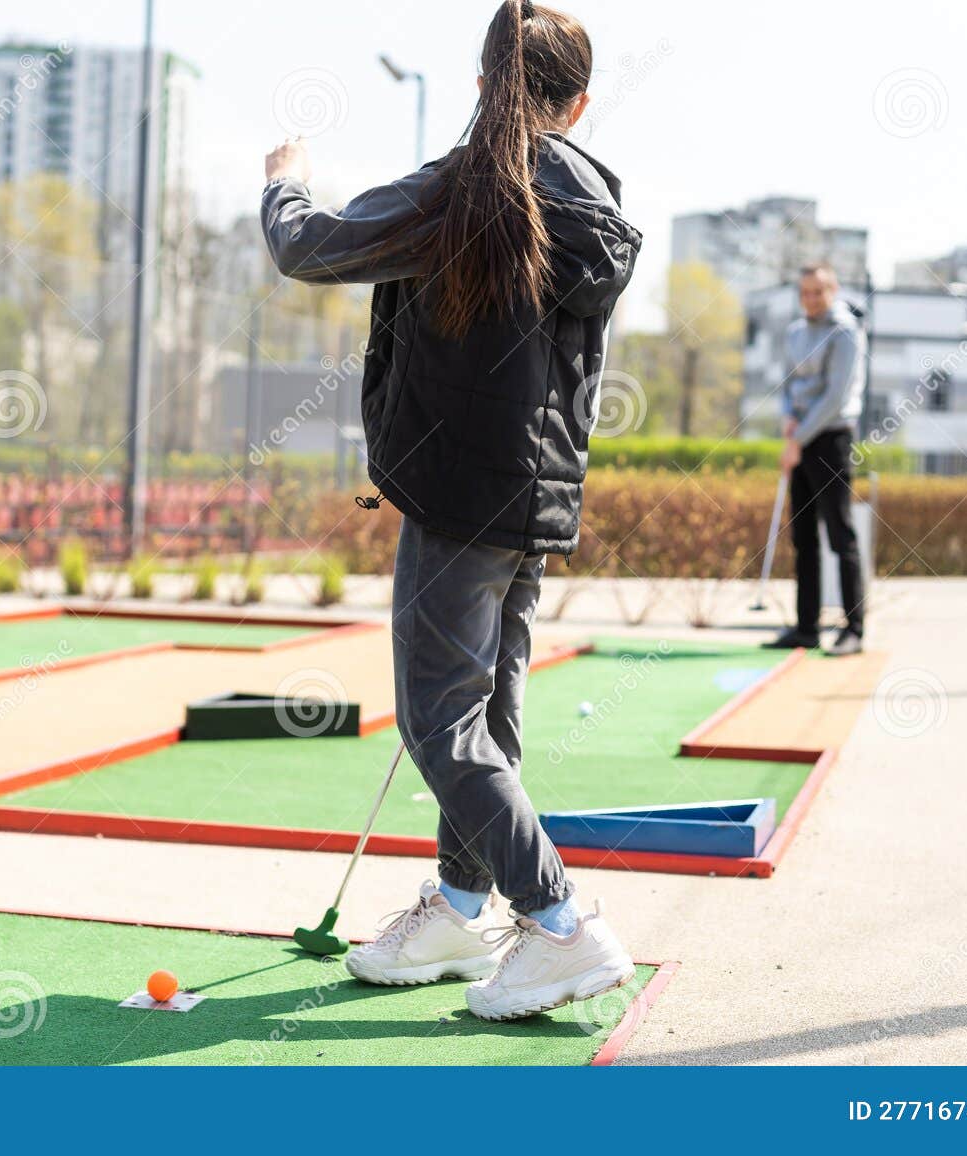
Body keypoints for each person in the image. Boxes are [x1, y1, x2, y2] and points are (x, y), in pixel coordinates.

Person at [259, 0, 641, 1020]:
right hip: (534, 493)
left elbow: (310, 248)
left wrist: (284, 183)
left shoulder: (456, 190)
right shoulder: (598, 205)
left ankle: (558, 922)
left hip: (456, 490)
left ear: (482, 86)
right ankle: (463, 906)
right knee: (487, 713)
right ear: (578, 104)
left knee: (438, 720)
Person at [764, 262, 867, 657]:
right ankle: (807, 628)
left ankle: (853, 629)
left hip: (831, 438)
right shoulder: (794, 332)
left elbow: (835, 397)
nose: (811, 299)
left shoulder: (845, 332)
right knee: (803, 536)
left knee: (840, 534)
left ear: (833, 290)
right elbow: (789, 385)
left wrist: (799, 437)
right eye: (805, 292)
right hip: (800, 437)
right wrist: (788, 419)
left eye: (818, 291)